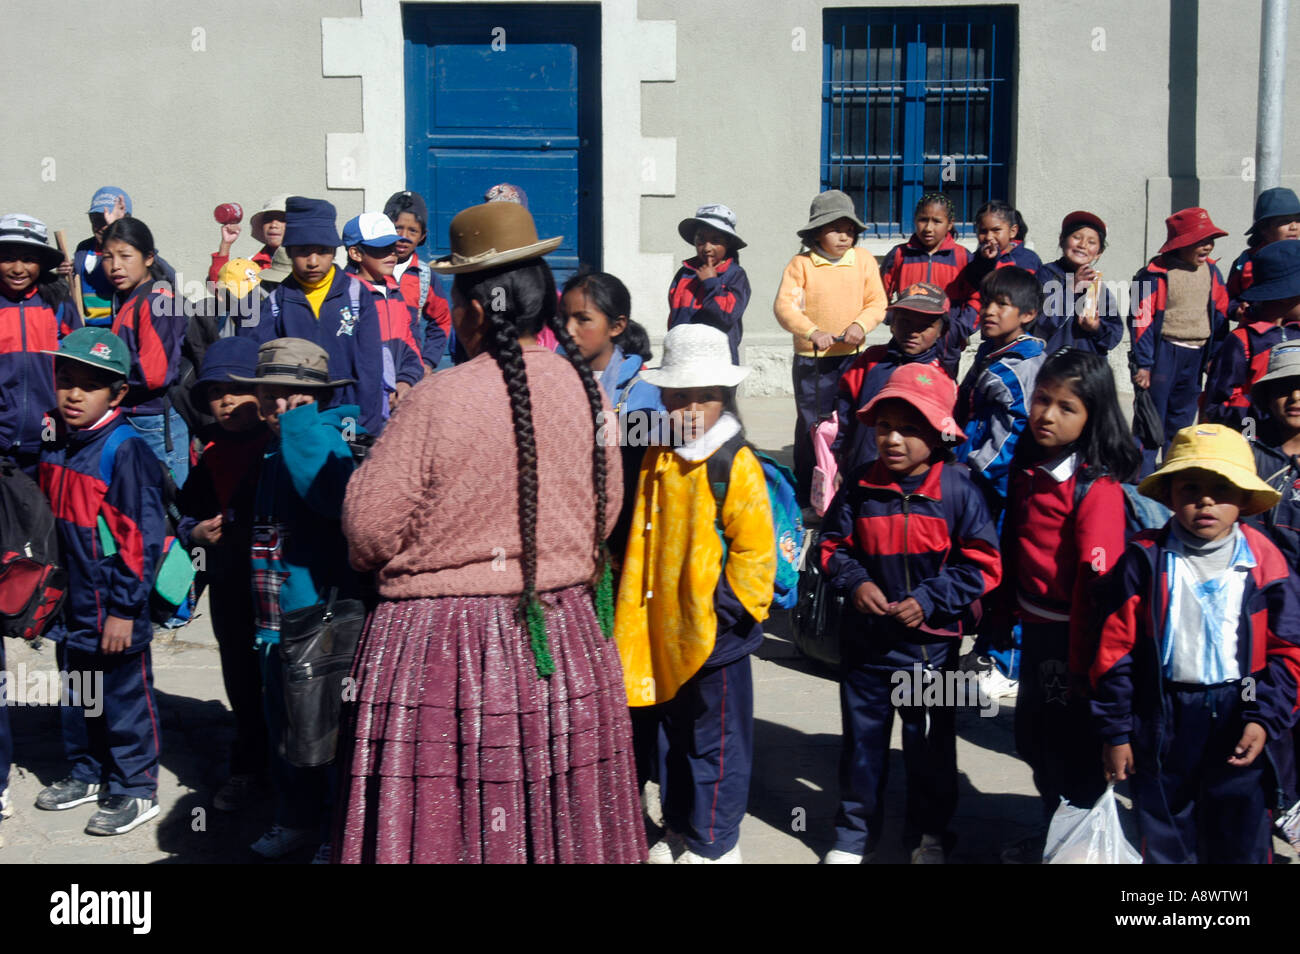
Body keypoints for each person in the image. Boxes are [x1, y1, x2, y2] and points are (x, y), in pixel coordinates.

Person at [334, 200, 643, 864]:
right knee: (553, 832)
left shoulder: (436, 399)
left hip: (438, 659)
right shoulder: (587, 394)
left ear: (473, 310)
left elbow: (367, 530)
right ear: (542, 301)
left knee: (447, 832)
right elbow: (606, 516)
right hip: (563, 650)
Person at [819, 363, 1001, 864]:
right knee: (861, 747)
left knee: (930, 752)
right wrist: (855, 583)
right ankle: (854, 835)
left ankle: (930, 835)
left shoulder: (959, 492)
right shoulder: (859, 487)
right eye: (883, 427)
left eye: (909, 428)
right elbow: (833, 547)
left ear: (940, 433)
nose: (892, 439)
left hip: (931, 651)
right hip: (866, 650)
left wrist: (929, 599)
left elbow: (983, 566)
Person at [1093, 423, 1300, 864]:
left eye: (1221, 489)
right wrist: (1116, 731)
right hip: (1164, 711)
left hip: (1240, 701)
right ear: (1168, 495)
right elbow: (1115, 653)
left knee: (1241, 832)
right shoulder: (1144, 559)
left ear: (1244, 499)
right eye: (1190, 488)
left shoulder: (1263, 560)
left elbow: (1288, 650)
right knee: (1167, 831)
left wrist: (1263, 717)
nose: (1205, 501)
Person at [616, 323, 777, 864]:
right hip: (663, 632)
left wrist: (719, 612)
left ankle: (716, 846)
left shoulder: (734, 464)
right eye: (675, 396)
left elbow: (756, 555)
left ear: (723, 398)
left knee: (717, 747)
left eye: (700, 397)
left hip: (716, 640)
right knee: (674, 739)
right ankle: (682, 828)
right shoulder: (657, 449)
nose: (686, 408)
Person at [996, 349, 1139, 863]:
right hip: (1037, 634)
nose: (1047, 415)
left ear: (1092, 416)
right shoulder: (1031, 465)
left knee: (1070, 750)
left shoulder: (1094, 489)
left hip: (1074, 644)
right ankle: (1058, 834)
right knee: (1034, 740)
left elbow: (1100, 592)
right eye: (1041, 400)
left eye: (1065, 407)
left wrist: (1086, 670)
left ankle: (1079, 847)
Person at [233, 338, 364, 862]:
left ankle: (337, 829)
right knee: (286, 732)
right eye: (269, 395)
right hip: (274, 621)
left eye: (293, 396)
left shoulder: (325, 442)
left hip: (316, 625)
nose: (277, 407)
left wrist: (301, 428)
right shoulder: (267, 450)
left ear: (315, 400)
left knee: (324, 735)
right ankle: (296, 818)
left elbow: (331, 503)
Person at [34, 328, 165, 835]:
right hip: (70, 607)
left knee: (126, 700)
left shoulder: (125, 450)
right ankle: (89, 771)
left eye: (89, 385)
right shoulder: (57, 442)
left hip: (112, 607)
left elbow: (141, 538)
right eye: (66, 380)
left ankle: (136, 788)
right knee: (81, 692)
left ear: (118, 394)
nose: (73, 394)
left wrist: (125, 610)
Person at [176, 337, 270, 813]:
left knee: (287, 679)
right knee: (240, 674)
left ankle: (297, 771)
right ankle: (248, 766)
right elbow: (184, 514)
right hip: (230, 583)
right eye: (216, 391)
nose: (227, 399)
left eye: (238, 387)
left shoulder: (279, 443)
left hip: (281, 587)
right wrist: (194, 530)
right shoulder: (208, 453)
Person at [774, 189, 888, 506]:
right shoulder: (801, 265)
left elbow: (877, 302)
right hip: (813, 364)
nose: (844, 236)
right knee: (813, 428)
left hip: (852, 359)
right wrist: (812, 332)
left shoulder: (863, 261)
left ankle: (846, 487)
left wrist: (860, 326)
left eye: (849, 230)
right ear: (817, 232)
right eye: (836, 229)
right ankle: (808, 496)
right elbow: (785, 308)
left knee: (849, 423)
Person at [239, 197, 386, 436]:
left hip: (345, 414)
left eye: (323, 251)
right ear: (289, 251)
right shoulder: (275, 301)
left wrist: (360, 429)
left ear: (334, 251)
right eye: (303, 251)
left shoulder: (357, 296)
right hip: (294, 417)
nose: (313, 261)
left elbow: (369, 370)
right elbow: (264, 371)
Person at [1129, 207, 1231, 476]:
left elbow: (1220, 313)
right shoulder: (1152, 274)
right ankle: (1140, 478)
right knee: (1151, 419)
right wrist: (1144, 364)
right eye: (1200, 240)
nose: (1208, 246)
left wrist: (1214, 356)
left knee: (1183, 420)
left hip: (1196, 356)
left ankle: (1174, 474)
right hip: (1163, 354)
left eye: (1210, 240)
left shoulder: (1212, 272)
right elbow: (1141, 321)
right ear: (1180, 243)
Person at [1249, 343, 1300, 847]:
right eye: (1284, 388)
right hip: (1263, 618)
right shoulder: (1248, 458)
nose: (1297, 396)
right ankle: (1271, 810)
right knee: (1266, 715)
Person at [832, 282, 958, 472]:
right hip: (862, 466)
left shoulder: (941, 376)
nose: (913, 332)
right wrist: (841, 454)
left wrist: (944, 459)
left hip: (913, 477)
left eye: (924, 326)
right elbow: (846, 409)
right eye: (905, 322)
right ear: (892, 324)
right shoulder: (870, 361)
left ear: (941, 331)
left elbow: (948, 428)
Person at [101, 218, 190, 484]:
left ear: (149, 258)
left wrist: (106, 383)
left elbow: (154, 374)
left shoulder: (155, 301)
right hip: (137, 416)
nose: (116, 266)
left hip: (153, 422)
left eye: (126, 256)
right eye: (108, 257)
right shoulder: (131, 297)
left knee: (168, 507)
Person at [955, 266, 1047, 516]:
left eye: (1001, 304)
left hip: (995, 483)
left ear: (1028, 314)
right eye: (986, 303)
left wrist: (980, 470)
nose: (989, 311)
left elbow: (1015, 428)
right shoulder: (991, 353)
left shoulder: (1020, 368)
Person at [0, 213, 81, 475]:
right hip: (2, 437)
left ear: (43, 264)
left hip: (49, 431)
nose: (18, 268)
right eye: (9, 258)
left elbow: (81, 365)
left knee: (43, 511)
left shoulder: (57, 303)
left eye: (29, 259)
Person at [1202, 239, 1300, 431]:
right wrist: (1260, 417)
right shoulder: (1242, 341)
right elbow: (1216, 405)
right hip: (1252, 441)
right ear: (1286, 296)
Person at [342, 212, 424, 415]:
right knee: (352, 442)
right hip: (359, 406)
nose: (392, 254)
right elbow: (346, 356)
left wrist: (406, 380)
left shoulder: (394, 291)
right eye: (381, 249)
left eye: (393, 247)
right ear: (356, 254)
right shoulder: (345, 295)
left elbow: (409, 342)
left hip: (397, 399)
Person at [72, 188, 176, 325]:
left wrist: (119, 230)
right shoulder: (84, 249)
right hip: (89, 332)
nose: (102, 227)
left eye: (106, 221)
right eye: (96, 219)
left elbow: (169, 277)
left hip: (120, 328)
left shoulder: (137, 251)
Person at [667, 204, 751, 363]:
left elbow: (727, 316)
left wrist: (711, 283)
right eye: (701, 239)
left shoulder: (735, 275)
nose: (707, 248)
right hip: (683, 360)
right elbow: (674, 317)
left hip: (718, 362)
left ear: (728, 243)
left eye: (715, 240)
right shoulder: (684, 274)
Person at [1034, 211, 1123, 356]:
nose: (1082, 245)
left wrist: (1096, 328)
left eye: (1091, 242)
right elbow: (1042, 322)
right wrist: (1072, 288)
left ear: (1099, 252)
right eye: (1076, 237)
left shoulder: (1097, 286)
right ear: (1062, 240)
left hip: (1087, 367)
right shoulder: (1047, 275)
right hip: (1051, 365)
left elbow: (1113, 337)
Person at [383, 190, 450, 370]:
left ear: (422, 236)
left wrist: (427, 362)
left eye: (412, 231)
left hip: (407, 371)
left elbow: (442, 320)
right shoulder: (367, 269)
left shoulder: (424, 276)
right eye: (398, 228)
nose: (404, 237)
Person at [949, 200, 1041, 318]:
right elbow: (973, 294)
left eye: (996, 230)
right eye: (983, 231)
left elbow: (1037, 297)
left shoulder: (1029, 259)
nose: (989, 237)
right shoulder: (975, 261)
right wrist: (986, 261)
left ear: (1012, 231)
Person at [879, 193, 971, 302]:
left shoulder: (962, 257)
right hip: (909, 318)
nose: (928, 228)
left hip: (949, 319)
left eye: (936, 221)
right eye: (923, 220)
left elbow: (975, 299)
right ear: (915, 220)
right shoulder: (899, 254)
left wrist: (960, 320)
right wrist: (894, 316)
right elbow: (879, 295)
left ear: (950, 224)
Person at [1226, 186, 1300, 321]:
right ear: (1264, 229)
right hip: (1260, 335)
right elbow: (1229, 299)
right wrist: (1237, 309)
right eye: (1284, 222)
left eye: (1298, 220)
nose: (1294, 227)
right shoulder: (1246, 261)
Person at [204, 193, 289, 286]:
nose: (273, 225)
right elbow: (220, 290)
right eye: (268, 219)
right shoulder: (252, 264)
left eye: (282, 219)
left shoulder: (305, 262)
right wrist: (226, 244)